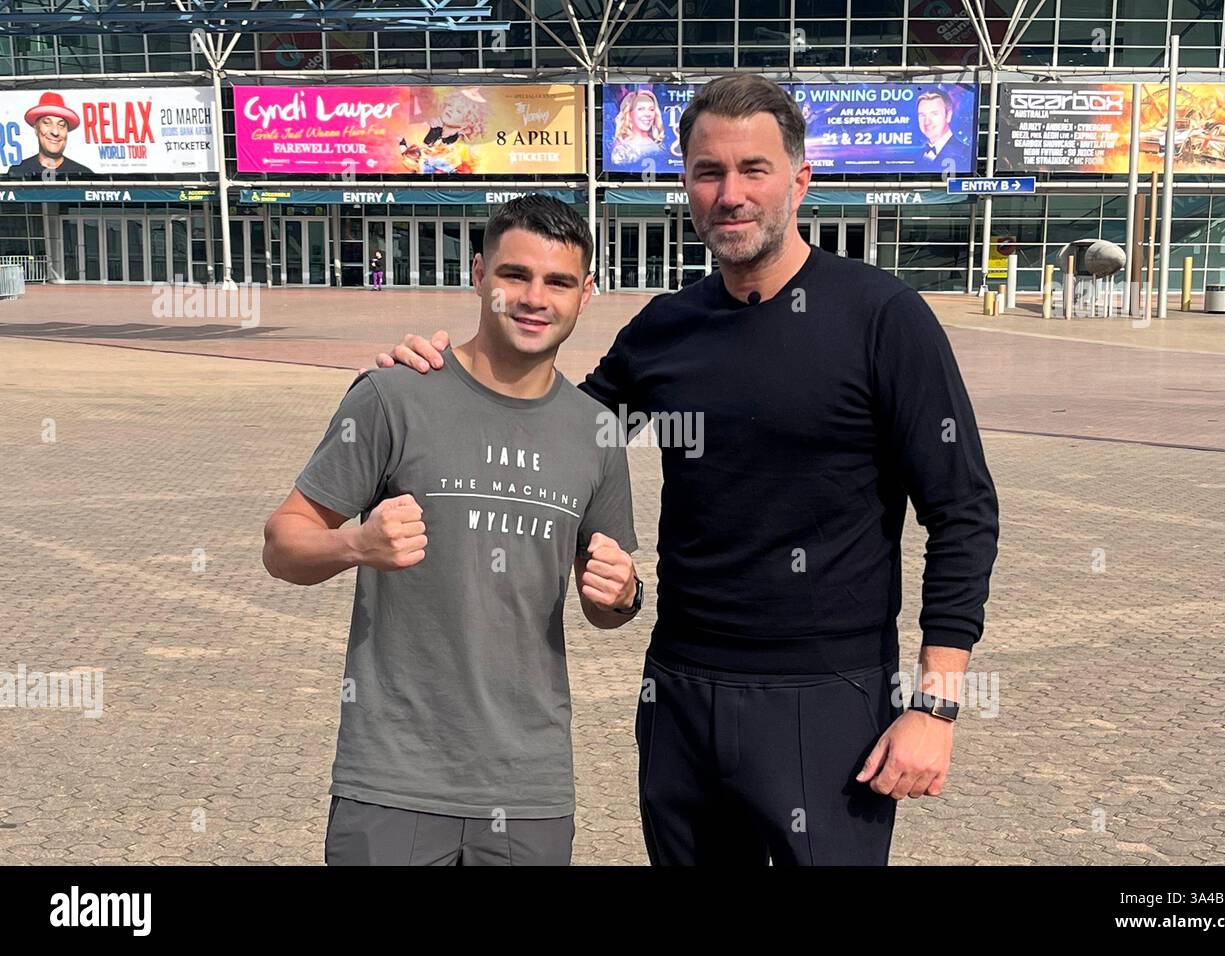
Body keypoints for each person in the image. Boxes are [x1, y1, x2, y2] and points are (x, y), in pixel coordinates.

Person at [375, 75, 999, 866]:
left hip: (829, 698)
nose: (730, 194)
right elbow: (557, 434)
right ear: (686, 184)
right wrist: (443, 373)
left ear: (800, 179)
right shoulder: (667, 329)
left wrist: (935, 707)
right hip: (679, 692)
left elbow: (964, 513)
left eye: (753, 170)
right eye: (708, 172)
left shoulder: (883, 318)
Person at [263, 195, 642, 865]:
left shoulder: (597, 433)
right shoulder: (394, 396)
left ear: (586, 294)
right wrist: (355, 544)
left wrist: (621, 595)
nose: (534, 298)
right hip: (394, 781)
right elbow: (282, 543)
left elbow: (607, 603)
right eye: (514, 275)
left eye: (557, 282)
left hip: (530, 787)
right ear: (478, 275)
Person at [5, 92, 93, 180]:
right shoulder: (18, 172)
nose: (55, 132)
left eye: (61, 125)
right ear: (36, 128)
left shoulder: (84, 175)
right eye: (47, 123)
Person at [915, 88, 971, 172]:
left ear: (948, 115)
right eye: (922, 115)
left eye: (934, 114)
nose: (927, 122)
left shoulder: (964, 153)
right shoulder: (917, 153)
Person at [610, 89, 666, 167]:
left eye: (651, 109)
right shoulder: (622, 151)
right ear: (629, 113)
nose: (647, 114)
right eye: (641, 109)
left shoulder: (661, 147)